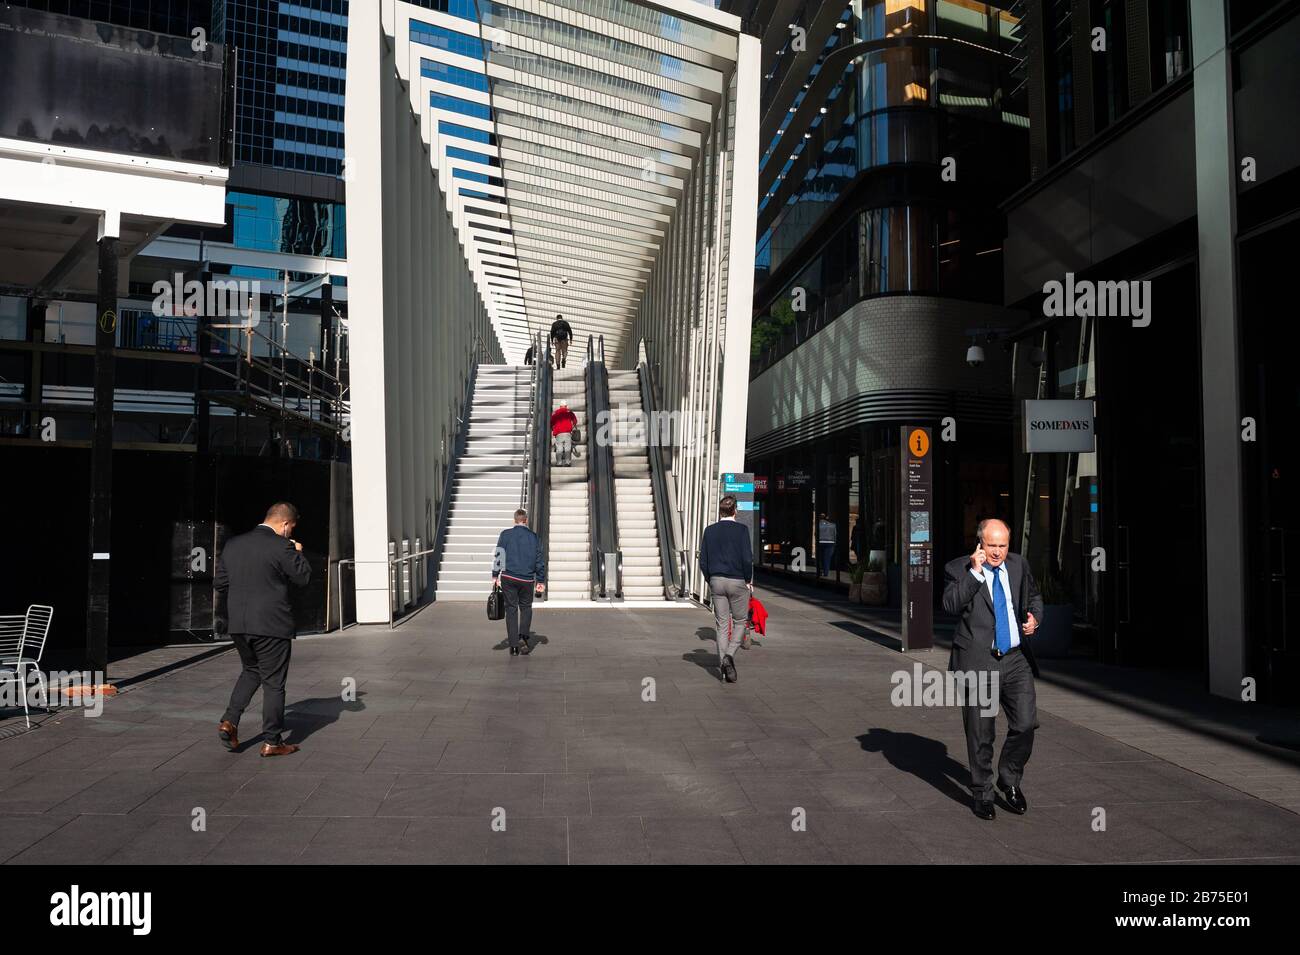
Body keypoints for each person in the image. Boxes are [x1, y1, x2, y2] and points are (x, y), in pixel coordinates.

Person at [941, 517, 1043, 821]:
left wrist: (1035, 618)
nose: (997, 552)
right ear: (979, 543)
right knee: (981, 733)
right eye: (991, 545)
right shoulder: (958, 568)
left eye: (1003, 545)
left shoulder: (1018, 565)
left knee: (1026, 724)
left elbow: (1035, 597)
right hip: (979, 661)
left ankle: (1009, 780)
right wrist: (975, 573)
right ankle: (982, 793)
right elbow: (949, 605)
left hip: (1015, 659)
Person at [215, 501, 311, 757]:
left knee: (251, 670)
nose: (290, 533)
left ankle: (229, 720)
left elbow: (220, 583)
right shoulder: (283, 546)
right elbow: (303, 577)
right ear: (285, 524)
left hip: (239, 624)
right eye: (291, 529)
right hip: (271, 625)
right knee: (274, 683)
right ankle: (273, 741)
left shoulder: (233, 545)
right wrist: (297, 552)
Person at [699, 495, 753, 684]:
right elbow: (747, 558)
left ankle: (723, 669)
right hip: (737, 580)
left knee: (722, 625)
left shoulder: (710, 531)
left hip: (716, 580)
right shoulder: (742, 530)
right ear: (735, 511)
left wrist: (710, 579)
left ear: (720, 511)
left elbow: (703, 561)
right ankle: (729, 656)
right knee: (739, 622)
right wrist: (748, 580)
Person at [492, 508, 546, 656]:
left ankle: (514, 646)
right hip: (527, 579)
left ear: (514, 520)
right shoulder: (534, 537)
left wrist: (495, 575)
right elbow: (539, 560)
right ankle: (523, 637)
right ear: (526, 520)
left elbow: (499, 555)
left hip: (509, 577)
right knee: (526, 608)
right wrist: (540, 580)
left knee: (511, 609)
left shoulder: (505, 534)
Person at [550, 399, 577, 467]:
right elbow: (575, 421)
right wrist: (572, 426)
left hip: (559, 433)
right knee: (568, 448)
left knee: (559, 448)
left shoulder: (555, 413)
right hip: (567, 432)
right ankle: (567, 462)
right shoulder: (569, 412)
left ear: (560, 406)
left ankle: (559, 463)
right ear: (566, 406)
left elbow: (551, 422)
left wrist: (553, 428)